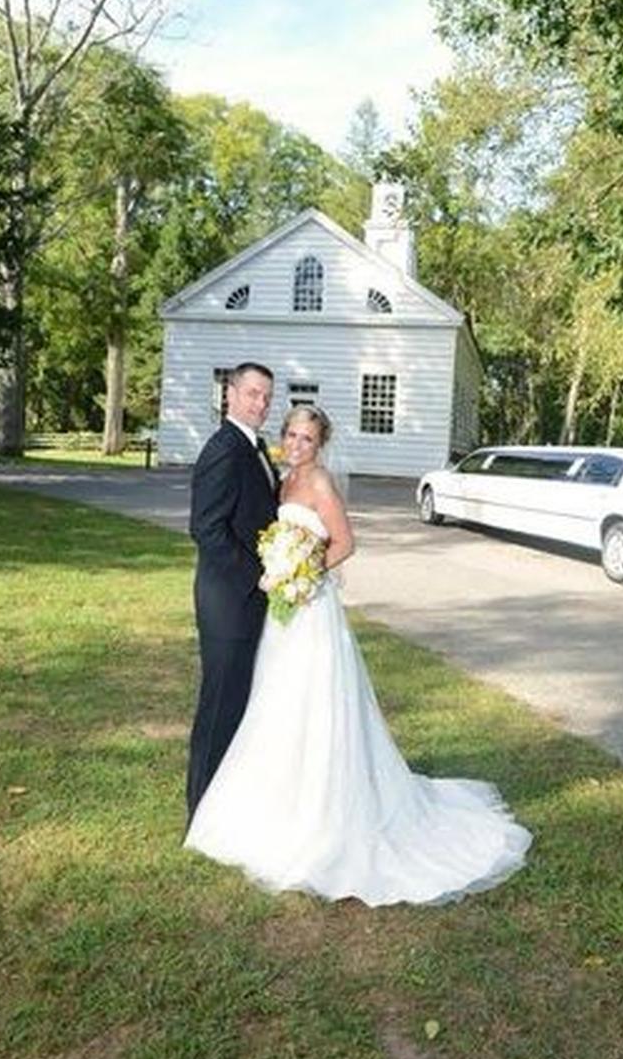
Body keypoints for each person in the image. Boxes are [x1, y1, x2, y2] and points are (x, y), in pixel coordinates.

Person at [185, 404, 532, 906]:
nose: (297, 444)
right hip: (283, 614)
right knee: (276, 700)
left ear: (320, 443)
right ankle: (274, 800)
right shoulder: (282, 482)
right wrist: (283, 572)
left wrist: (303, 574)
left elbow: (345, 543)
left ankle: (326, 812)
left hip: (311, 607)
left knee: (316, 703)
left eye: (307, 438)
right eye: (291, 435)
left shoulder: (320, 483)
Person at [186, 362, 278, 822]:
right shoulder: (224, 448)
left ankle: (227, 801)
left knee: (240, 702)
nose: (260, 404)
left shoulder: (254, 448)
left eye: (266, 396)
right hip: (228, 601)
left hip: (250, 601)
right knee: (219, 705)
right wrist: (255, 576)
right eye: (252, 394)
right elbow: (205, 528)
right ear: (230, 394)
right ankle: (200, 811)